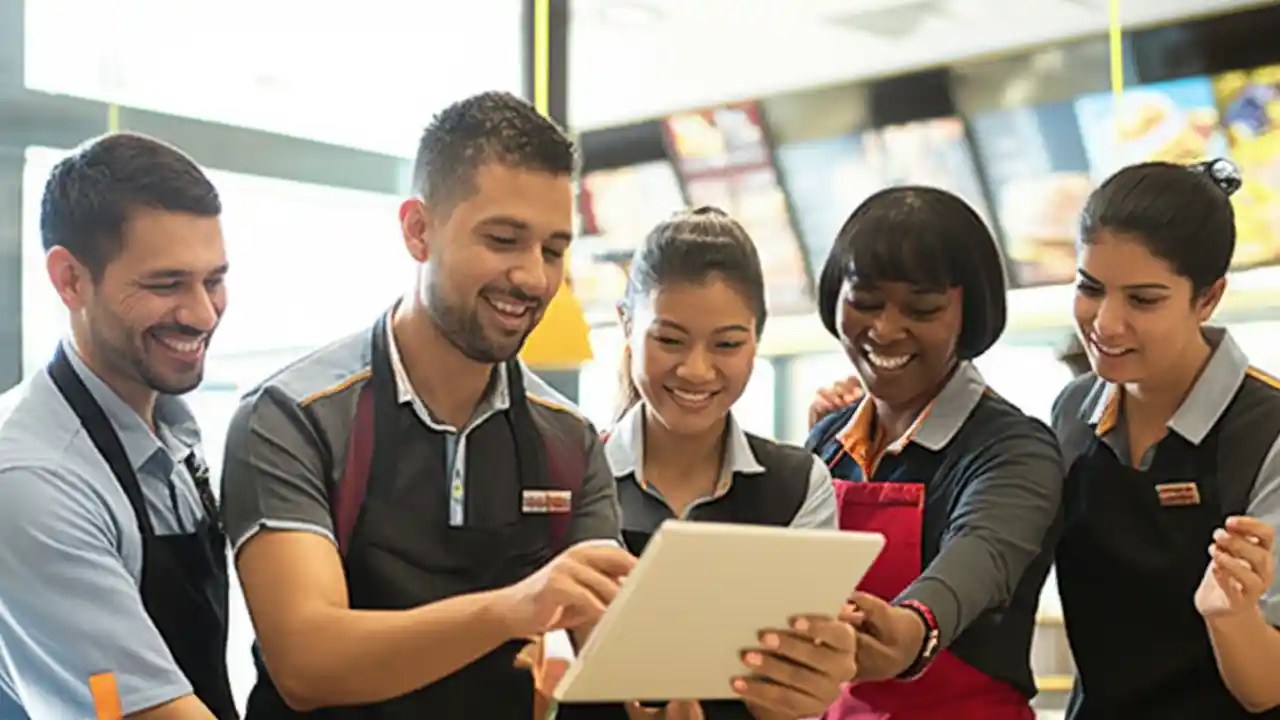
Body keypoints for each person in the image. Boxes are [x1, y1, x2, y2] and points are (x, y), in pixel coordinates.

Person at [223, 91, 626, 720]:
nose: (534, 278)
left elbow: (604, 651)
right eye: (503, 239)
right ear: (417, 230)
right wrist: (512, 608)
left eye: (552, 249)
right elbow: (307, 661)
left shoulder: (568, 441)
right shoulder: (294, 418)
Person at [558, 207, 857, 720]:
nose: (696, 370)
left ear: (757, 338)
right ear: (627, 324)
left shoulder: (799, 485)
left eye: (727, 344)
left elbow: (800, 685)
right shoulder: (568, 473)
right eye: (670, 340)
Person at [0, 133, 236, 719]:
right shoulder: (30, 478)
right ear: (70, 280)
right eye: (166, 284)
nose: (203, 314)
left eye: (213, 280)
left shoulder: (172, 429)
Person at [805, 187, 1064, 719]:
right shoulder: (828, 443)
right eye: (865, 302)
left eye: (922, 308)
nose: (885, 329)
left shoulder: (1014, 449)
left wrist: (911, 628)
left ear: (970, 315)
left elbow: (981, 555)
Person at [1052, 159, 1280, 717]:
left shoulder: (1267, 432)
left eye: (1143, 300)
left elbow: (1268, 687)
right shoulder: (1073, 411)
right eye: (1090, 287)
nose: (1105, 323)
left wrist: (1230, 614)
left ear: (1208, 298)